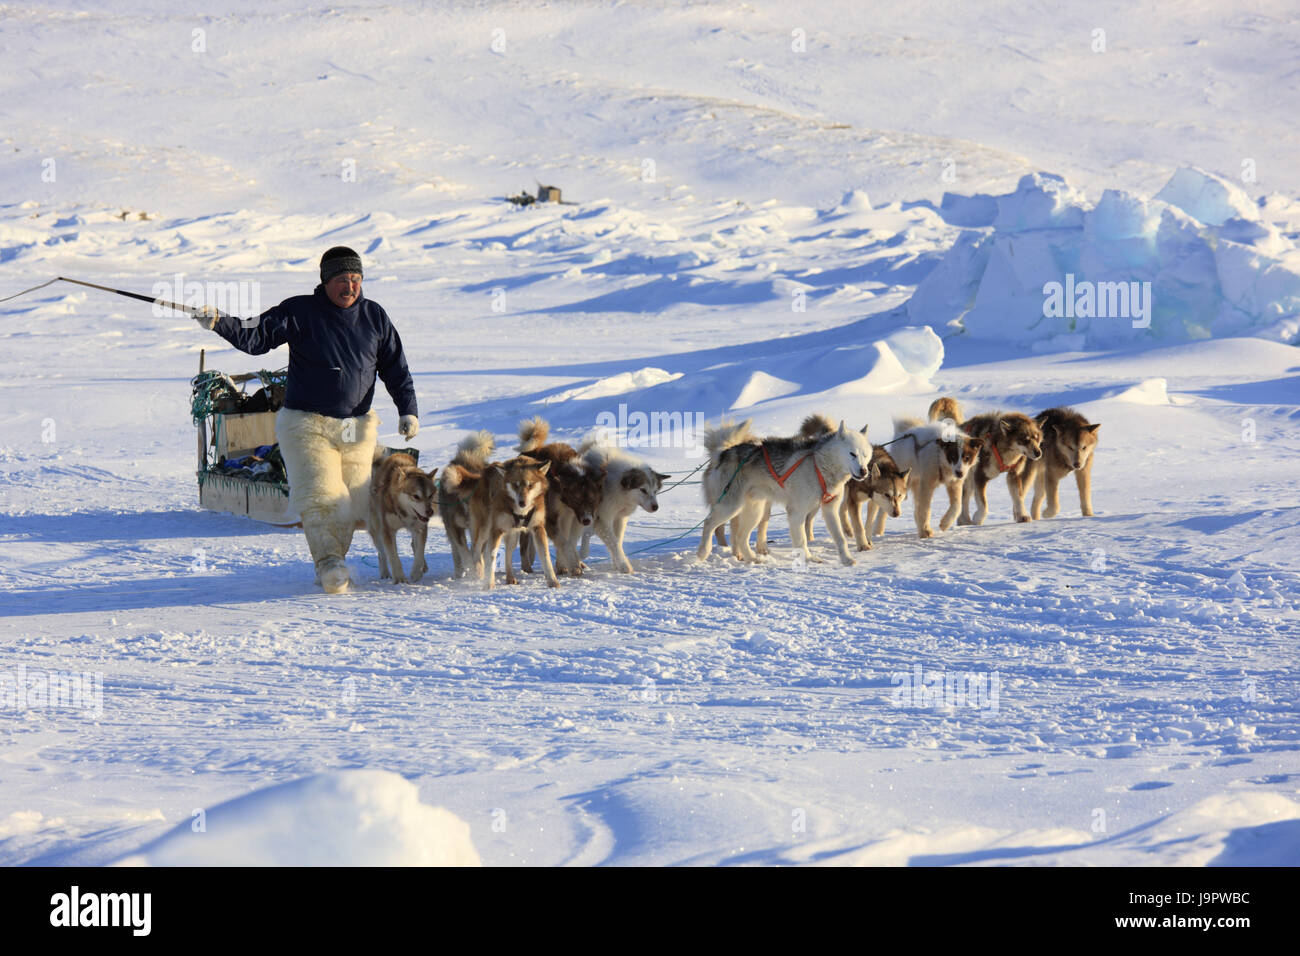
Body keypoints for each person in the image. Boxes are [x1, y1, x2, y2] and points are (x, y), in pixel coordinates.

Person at [194, 246, 418, 593]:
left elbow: (395, 367)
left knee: (351, 501)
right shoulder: (299, 311)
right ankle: (329, 564)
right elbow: (257, 337)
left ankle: (333, 560)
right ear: (325, 280)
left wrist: (408, 408)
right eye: (342, 280)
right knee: (321, 496)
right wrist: (220, 321)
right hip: (306, 425)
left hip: (355, 428)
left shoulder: (374, 316)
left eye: (356, 279)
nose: (350, 287)